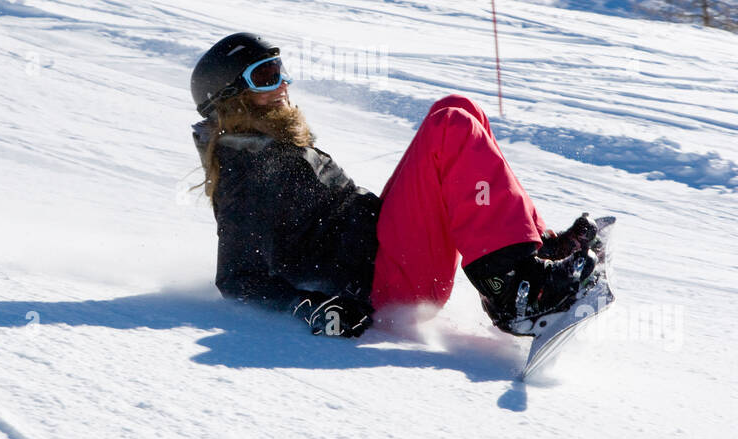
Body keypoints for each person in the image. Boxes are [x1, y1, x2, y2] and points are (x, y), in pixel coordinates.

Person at [190, 32, 599, 341]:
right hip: (383, 283)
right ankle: (517, 293)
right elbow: (237, 278)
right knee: (450, 128)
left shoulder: (269, 147)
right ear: (232, 99)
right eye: (265, 76)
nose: (283, 84)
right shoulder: (245, 173)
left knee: (456, 108)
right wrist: (311, 308)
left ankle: (536, 257)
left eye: (279, 70)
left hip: (385, 252)